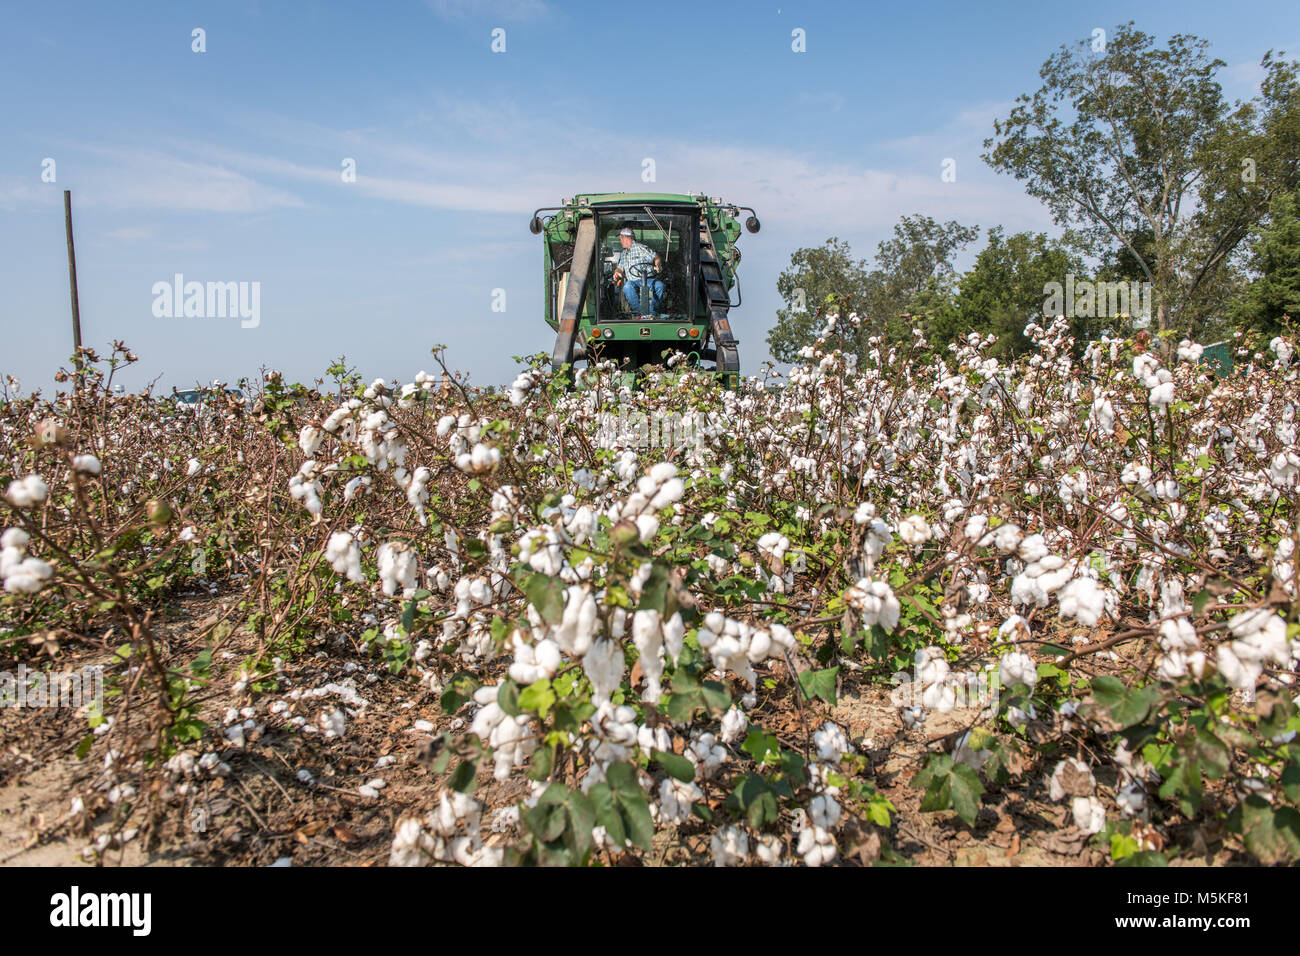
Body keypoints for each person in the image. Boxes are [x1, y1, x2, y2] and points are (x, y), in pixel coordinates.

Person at [611, 227, 665, 315]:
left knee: (660, 286)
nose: (620, 241)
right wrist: (617, 272)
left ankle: (652, 313)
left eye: (621, 238)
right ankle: (639, 313)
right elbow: (620, 268)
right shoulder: (624, 253)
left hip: (648, 279)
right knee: (627, 286)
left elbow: (656, 257)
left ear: (626, 238)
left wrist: (657, 264)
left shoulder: (640, 248)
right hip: (633, 282)